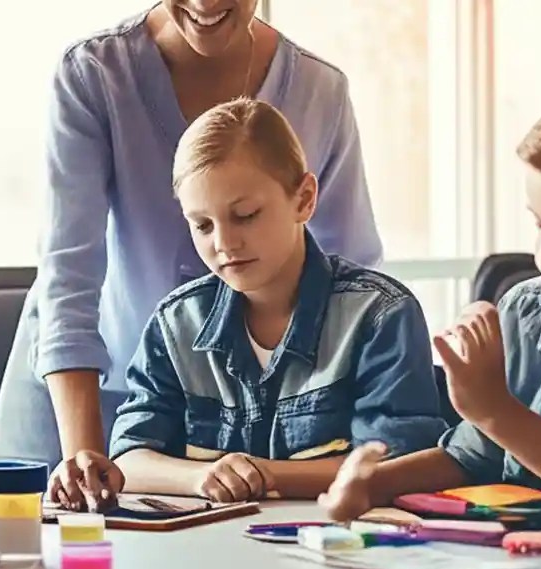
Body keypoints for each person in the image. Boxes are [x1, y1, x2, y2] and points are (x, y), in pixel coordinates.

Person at [0, 0, 384, 494]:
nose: (205, 4)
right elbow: (69, 279)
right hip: (83, 395)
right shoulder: (94, 74)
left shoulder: (320, 90)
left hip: (236, 421)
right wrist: (85, 460)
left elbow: (355, 284)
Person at [50, 98, 442, 509]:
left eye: (246, 215)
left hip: (337, 541)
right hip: (210, 545)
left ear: (304, 199)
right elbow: (129, 458)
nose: (224, 243)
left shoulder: (380, 315)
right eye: (202, 225)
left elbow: (396, 464)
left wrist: (263, 474)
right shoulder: (175, 323)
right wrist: (202, 477)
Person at [320, 81, 541, 524]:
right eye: (539, 224)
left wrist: (497, 412)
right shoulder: (526, 313)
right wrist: (371, 483)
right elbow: (477, 455)